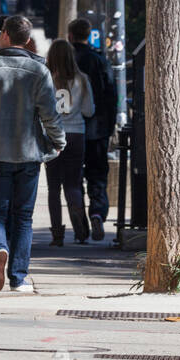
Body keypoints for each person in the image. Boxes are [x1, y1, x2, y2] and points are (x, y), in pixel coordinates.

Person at [0, 14, 66, 294]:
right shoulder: (39, 71)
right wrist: (58, 142)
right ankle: (18, 277)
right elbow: (50, 113)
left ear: (6, 36)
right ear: (28, 39)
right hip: (28, 153)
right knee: (23, 217)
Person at [68, 17, 118, 242]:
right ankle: (97, 211)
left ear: (70, 36)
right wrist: (110, 125)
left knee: (74, 178)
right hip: (97, 128)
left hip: (72, 128)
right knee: (97, 175)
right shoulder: (99, 60)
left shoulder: (67, 61)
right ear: (88, 35)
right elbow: (111, 94)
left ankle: (79, 221)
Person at [45, 39, 94, 244]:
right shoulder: (81, 79)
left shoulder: (46, 79)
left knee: (53, 188)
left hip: (52, 135)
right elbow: (89, 110)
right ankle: (79, 224)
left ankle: (57, 233)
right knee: (73, 183)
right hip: (76, 134)